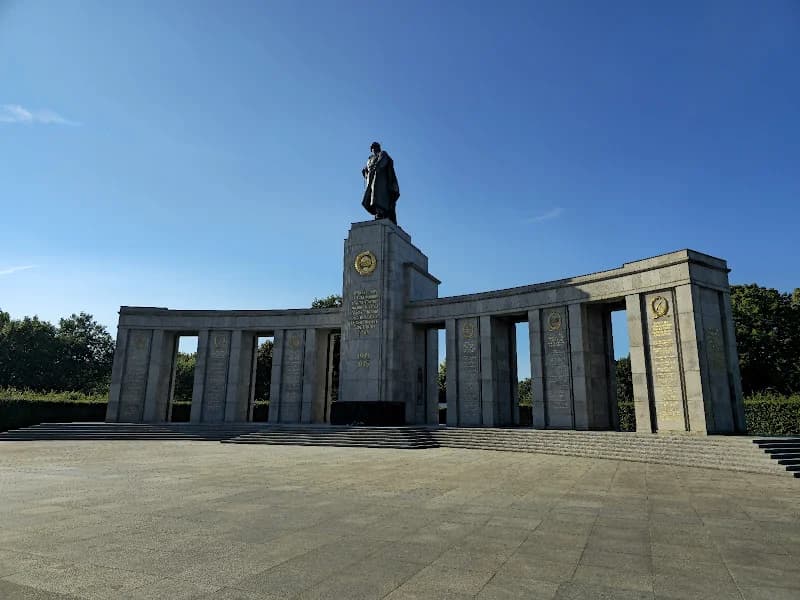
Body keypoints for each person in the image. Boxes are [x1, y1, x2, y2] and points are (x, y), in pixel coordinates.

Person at [361, 142, 399, 224]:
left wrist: (376, 168)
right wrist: (366, 172)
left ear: (378, 147)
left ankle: (381, 213)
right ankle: (378, 212)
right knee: (372, 197)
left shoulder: (382, 153)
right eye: (372, 148)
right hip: (371, 180)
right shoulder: (370, 159)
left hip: (380, 180)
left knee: (380, 196)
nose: (373, 149)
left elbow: (382, 162)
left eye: (375, 147)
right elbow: (365, 169)